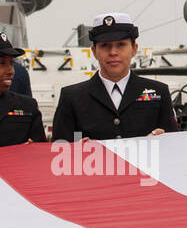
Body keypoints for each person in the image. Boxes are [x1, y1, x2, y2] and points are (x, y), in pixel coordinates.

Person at [51, 12, 177, 141]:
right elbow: (62, 146)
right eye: (105, 46)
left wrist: (161, 139)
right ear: (94, 51)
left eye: (121, 45)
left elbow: (173, 145)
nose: (113, 52)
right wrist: (77, 147)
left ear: (134, 49)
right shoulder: (73, 97)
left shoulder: (158, 92)